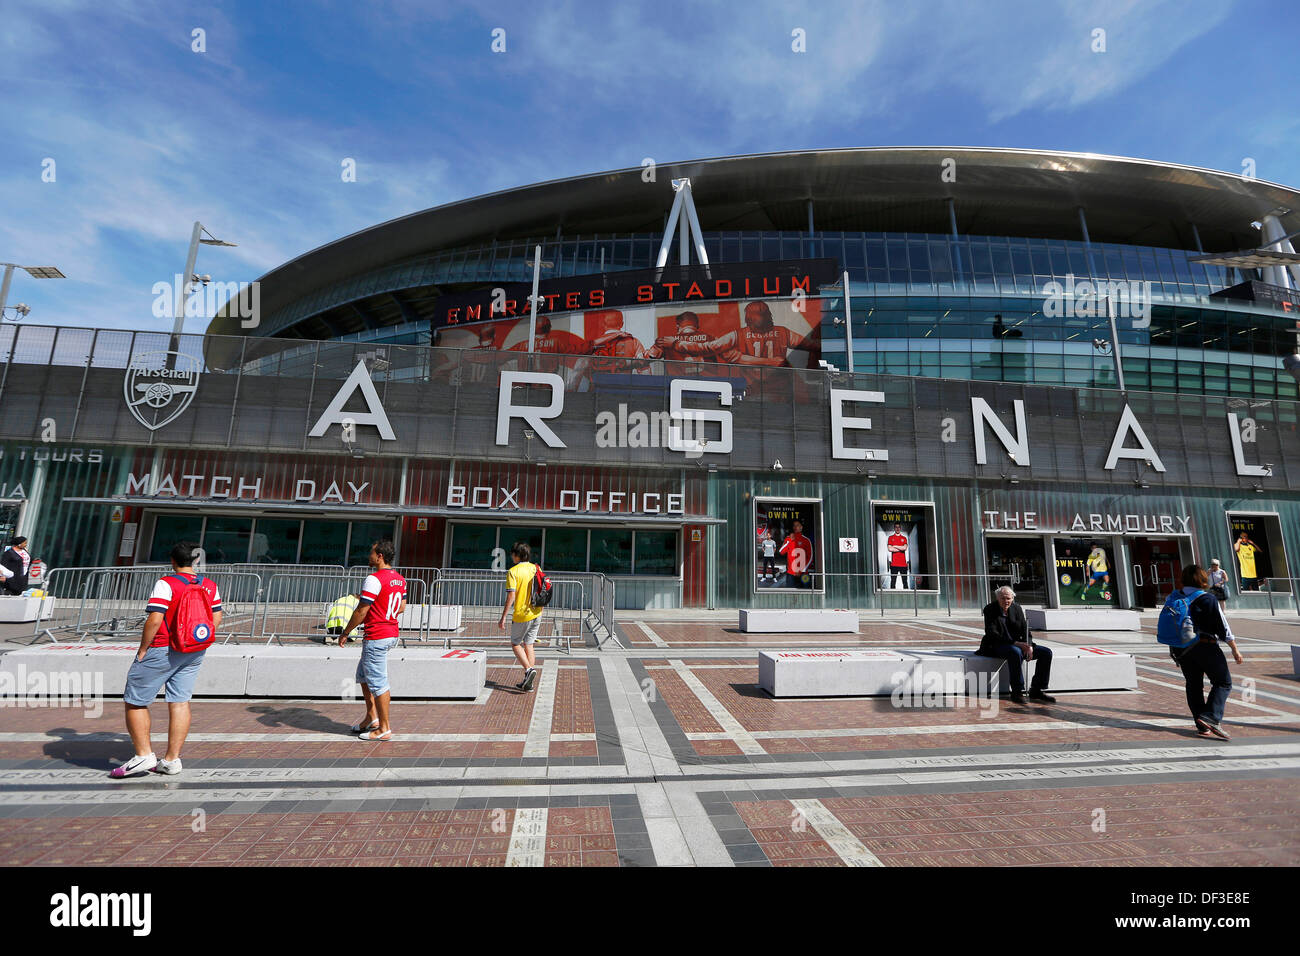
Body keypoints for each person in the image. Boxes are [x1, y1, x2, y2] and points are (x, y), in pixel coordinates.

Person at [110, 542, 222, 778]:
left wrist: (143, 648)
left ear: (172, 561)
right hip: (194, 649)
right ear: (196, 561)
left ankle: (143, 756)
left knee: (135, 700)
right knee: (180, 701)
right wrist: (198, 640)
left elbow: (155, 618)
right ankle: (172, 759)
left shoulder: (166, 583)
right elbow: (216, 616)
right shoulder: (209, 585)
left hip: (163, 647)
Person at [338, 540, 406, 741]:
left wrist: (346, 631)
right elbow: (401, 607)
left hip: (377, 635)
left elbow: (361, 610)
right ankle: (371, 717)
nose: (370, 556)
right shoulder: (400, 579)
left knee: (378, 682)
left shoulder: (374, 579)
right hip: (390, 632)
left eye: (372, 553)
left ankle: (384, 728)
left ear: (380, 556)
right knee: (363, 675)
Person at [1170, 564, 1243, 739]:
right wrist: (1234, 649)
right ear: (1203, 580)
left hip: (1182, 649)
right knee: (1223, 682)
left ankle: (1202, 725)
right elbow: (1223, 627)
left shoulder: (1174, 597)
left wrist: (1174, 652)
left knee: (1193, 685)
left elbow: (1171, 626)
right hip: (1206, 645)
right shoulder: (1207, 599)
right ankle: (1210, 717)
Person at [978, 585, 1055, 705]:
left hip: (1018, 644)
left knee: (1046, 652)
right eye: (1003, 598)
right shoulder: (990, 609)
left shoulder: (1017, 608)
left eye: (1008, 598)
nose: (1006, 601)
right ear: (997, 598)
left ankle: (1037, 689)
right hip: (997, 645)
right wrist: (1015, 643)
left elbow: (1025, 630)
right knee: (1015, 652)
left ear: (1012, 598)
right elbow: (992, 633)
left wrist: (1028, 645)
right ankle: (1017, 691)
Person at [498, 541, 543, 691]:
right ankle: (528, 680)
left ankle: (528, 670)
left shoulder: (513, 571)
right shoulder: (536, 568)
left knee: (515, 643)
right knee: (529, 644)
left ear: (517, 555)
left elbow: (511, 595)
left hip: (522, 614)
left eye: (512, 554)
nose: (511, 556)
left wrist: (503, 616)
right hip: (537, 612)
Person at [778, 519, 813, 589]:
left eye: (797, 525)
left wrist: (802, 570)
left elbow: (810, 557)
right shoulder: (788, 539)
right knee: (790, 594)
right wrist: (790, 540)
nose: (795, 527)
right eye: (794, 525)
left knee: (806, 593)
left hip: (804, 573)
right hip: (791, 573)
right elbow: (781, 552)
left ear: (801, 527)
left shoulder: (806, 540)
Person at [887, 523, 910, 590]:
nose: (897, 528)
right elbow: (890, 549)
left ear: (900, 528)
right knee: (893, 582)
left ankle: (907, 598)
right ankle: (892, 598)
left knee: (905, 583)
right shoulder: (890, 538)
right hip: (894, 564)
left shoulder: (904, 538)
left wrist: (895, 546)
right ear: (894, 528)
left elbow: (905, 548)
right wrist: (900, 547)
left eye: (899, 527)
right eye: (896, 527)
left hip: (903, 564)